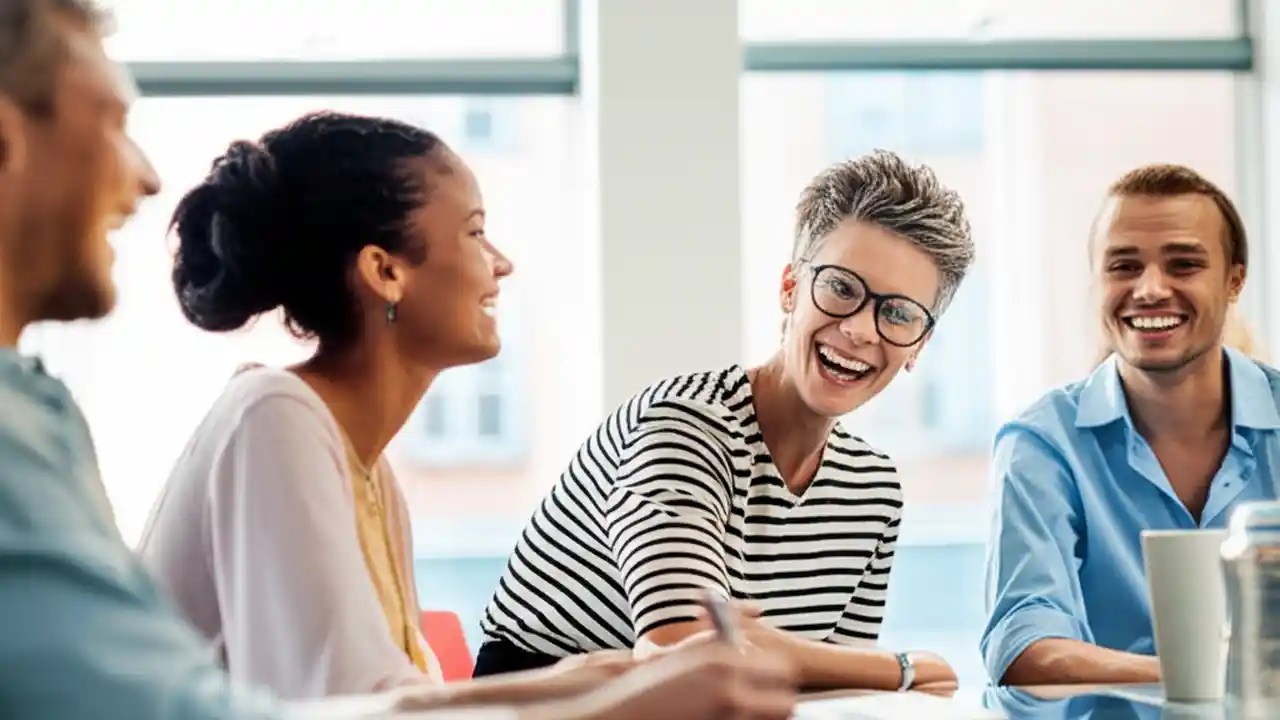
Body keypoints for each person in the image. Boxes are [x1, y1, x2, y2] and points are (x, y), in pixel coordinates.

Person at [0, 1, 798, 718]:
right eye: (475, 232)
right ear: (385, 270)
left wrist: (615, 675)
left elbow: (396, 698)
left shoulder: (368, 469)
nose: (501, 263)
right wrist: (619, 701)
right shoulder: (273, 417)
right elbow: (346, 710)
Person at [476, 150, 974, 691]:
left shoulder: (872, 488)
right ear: (790, 288)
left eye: (898, 313)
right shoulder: (682, 427)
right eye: (841, 288)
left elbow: (839, 691)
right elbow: (683, 649)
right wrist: (907, 667)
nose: (859, 329)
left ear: (919, 343)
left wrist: (801, 656)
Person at [982, 163, 1280, 687]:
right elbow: (1022, 644)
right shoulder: (1043, 443)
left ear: (1234, 281)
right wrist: (1217, 679)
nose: (1150, 289)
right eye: (1123, 267)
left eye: (1184, 265)